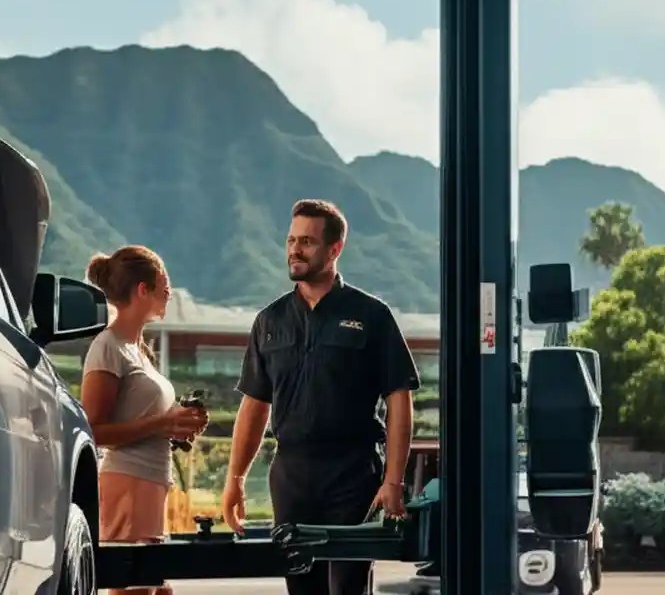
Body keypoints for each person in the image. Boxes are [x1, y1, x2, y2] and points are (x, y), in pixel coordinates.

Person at [221, 199, 420, 595]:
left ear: (335, 249)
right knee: (301, 587)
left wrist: (394, 480)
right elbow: (255, 405)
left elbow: (399, 397)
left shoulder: (372, 315)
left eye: (307, 242)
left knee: (347, 586)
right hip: (291, 474)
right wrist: (235, 478)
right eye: (291, 240)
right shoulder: (269, 321)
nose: (295, 249)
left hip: (353, 472)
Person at [80, 245, 209, 595]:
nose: (169, 293)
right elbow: (93, 429)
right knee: (137, 587)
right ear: (143, 290)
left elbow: (148, 420)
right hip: (128, 483)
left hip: (151, 485)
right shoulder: (108, 347)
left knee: (156, 588)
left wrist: (177, 425)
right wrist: (162, 424)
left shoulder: (139, 350)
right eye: (164, 287)